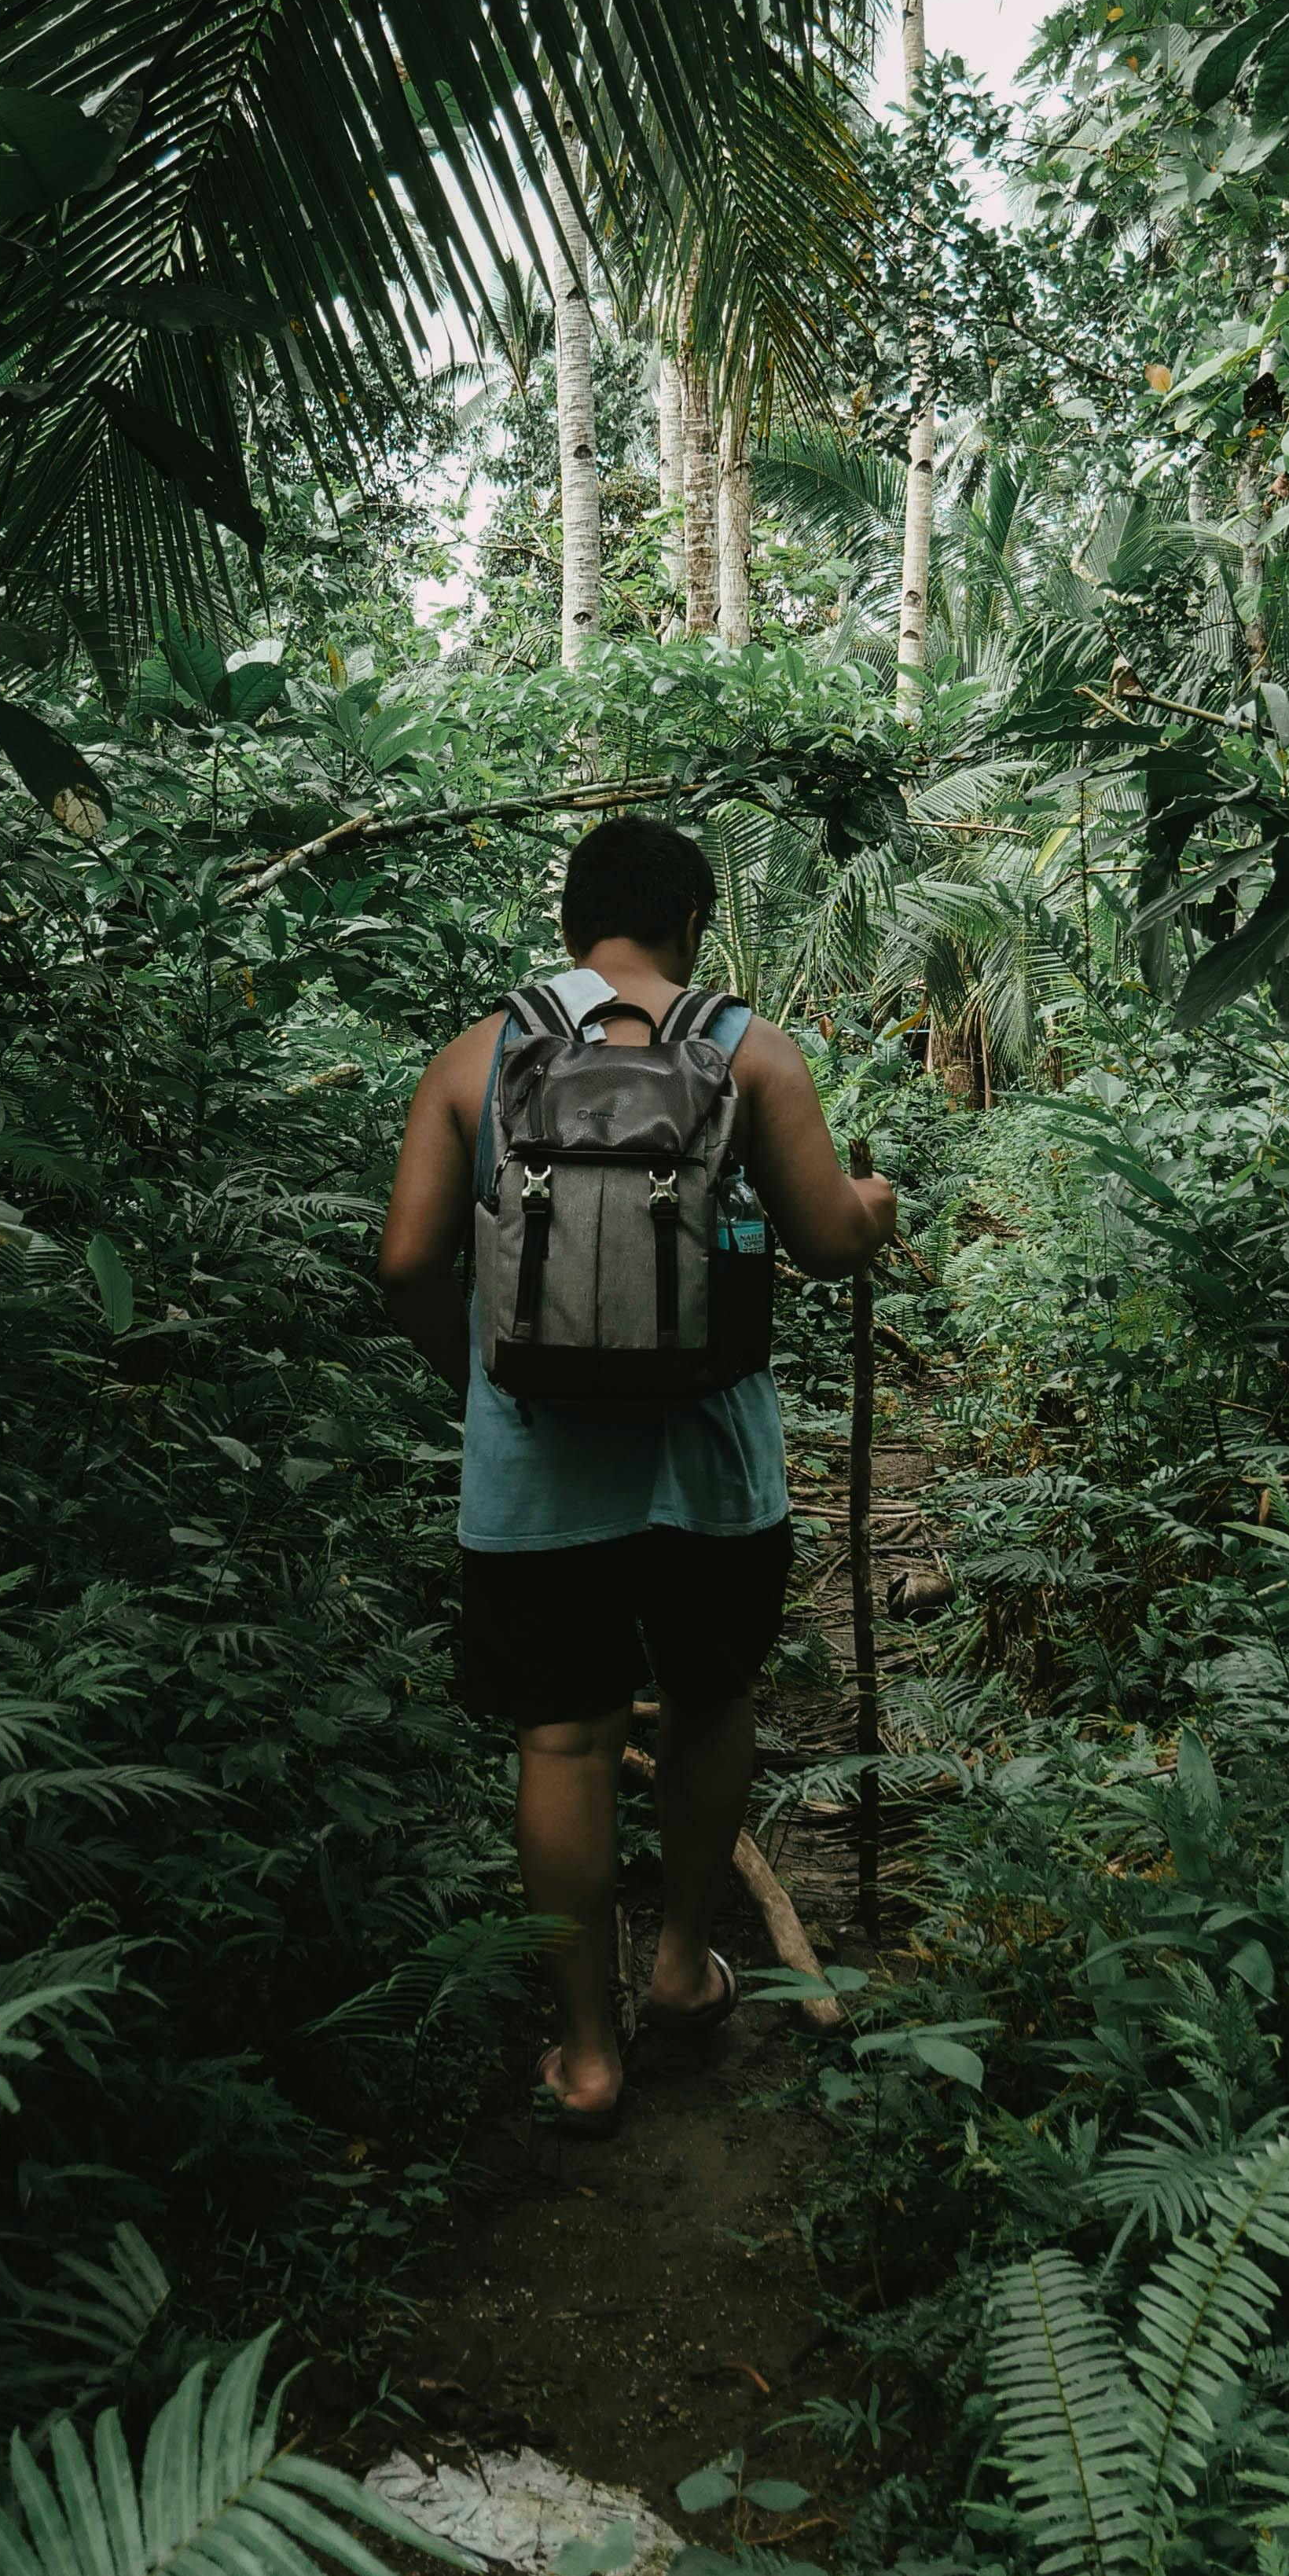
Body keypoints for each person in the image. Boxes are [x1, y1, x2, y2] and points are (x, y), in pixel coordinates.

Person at [379, 816, 897, 2125]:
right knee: (712, 1704)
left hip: (536, 1473)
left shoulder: (477, 1058)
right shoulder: (746, 1050)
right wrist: (879, 1203)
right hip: (712, 1472)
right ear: (691, 923)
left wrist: (482, 1384)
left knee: (563, 1737)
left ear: (572, 925)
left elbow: (403, 1266)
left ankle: (590, 2055)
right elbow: (834, 1242)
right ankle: (681, 1971)